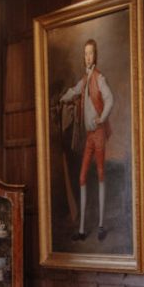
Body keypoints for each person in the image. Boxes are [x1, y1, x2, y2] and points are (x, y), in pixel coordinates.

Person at [59, 39, 114, 242]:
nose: (87, 57)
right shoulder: (85, 80)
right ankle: (82, 229)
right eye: (85, 54)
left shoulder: (99, 78)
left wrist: (102, 117)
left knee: (100, 175)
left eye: (90, 53)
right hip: (89, 137)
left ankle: (100, 225)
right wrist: (62, 98)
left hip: (98, 134)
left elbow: (110, 99)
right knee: (82, 177)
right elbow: (73, 91)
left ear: (95, 56)